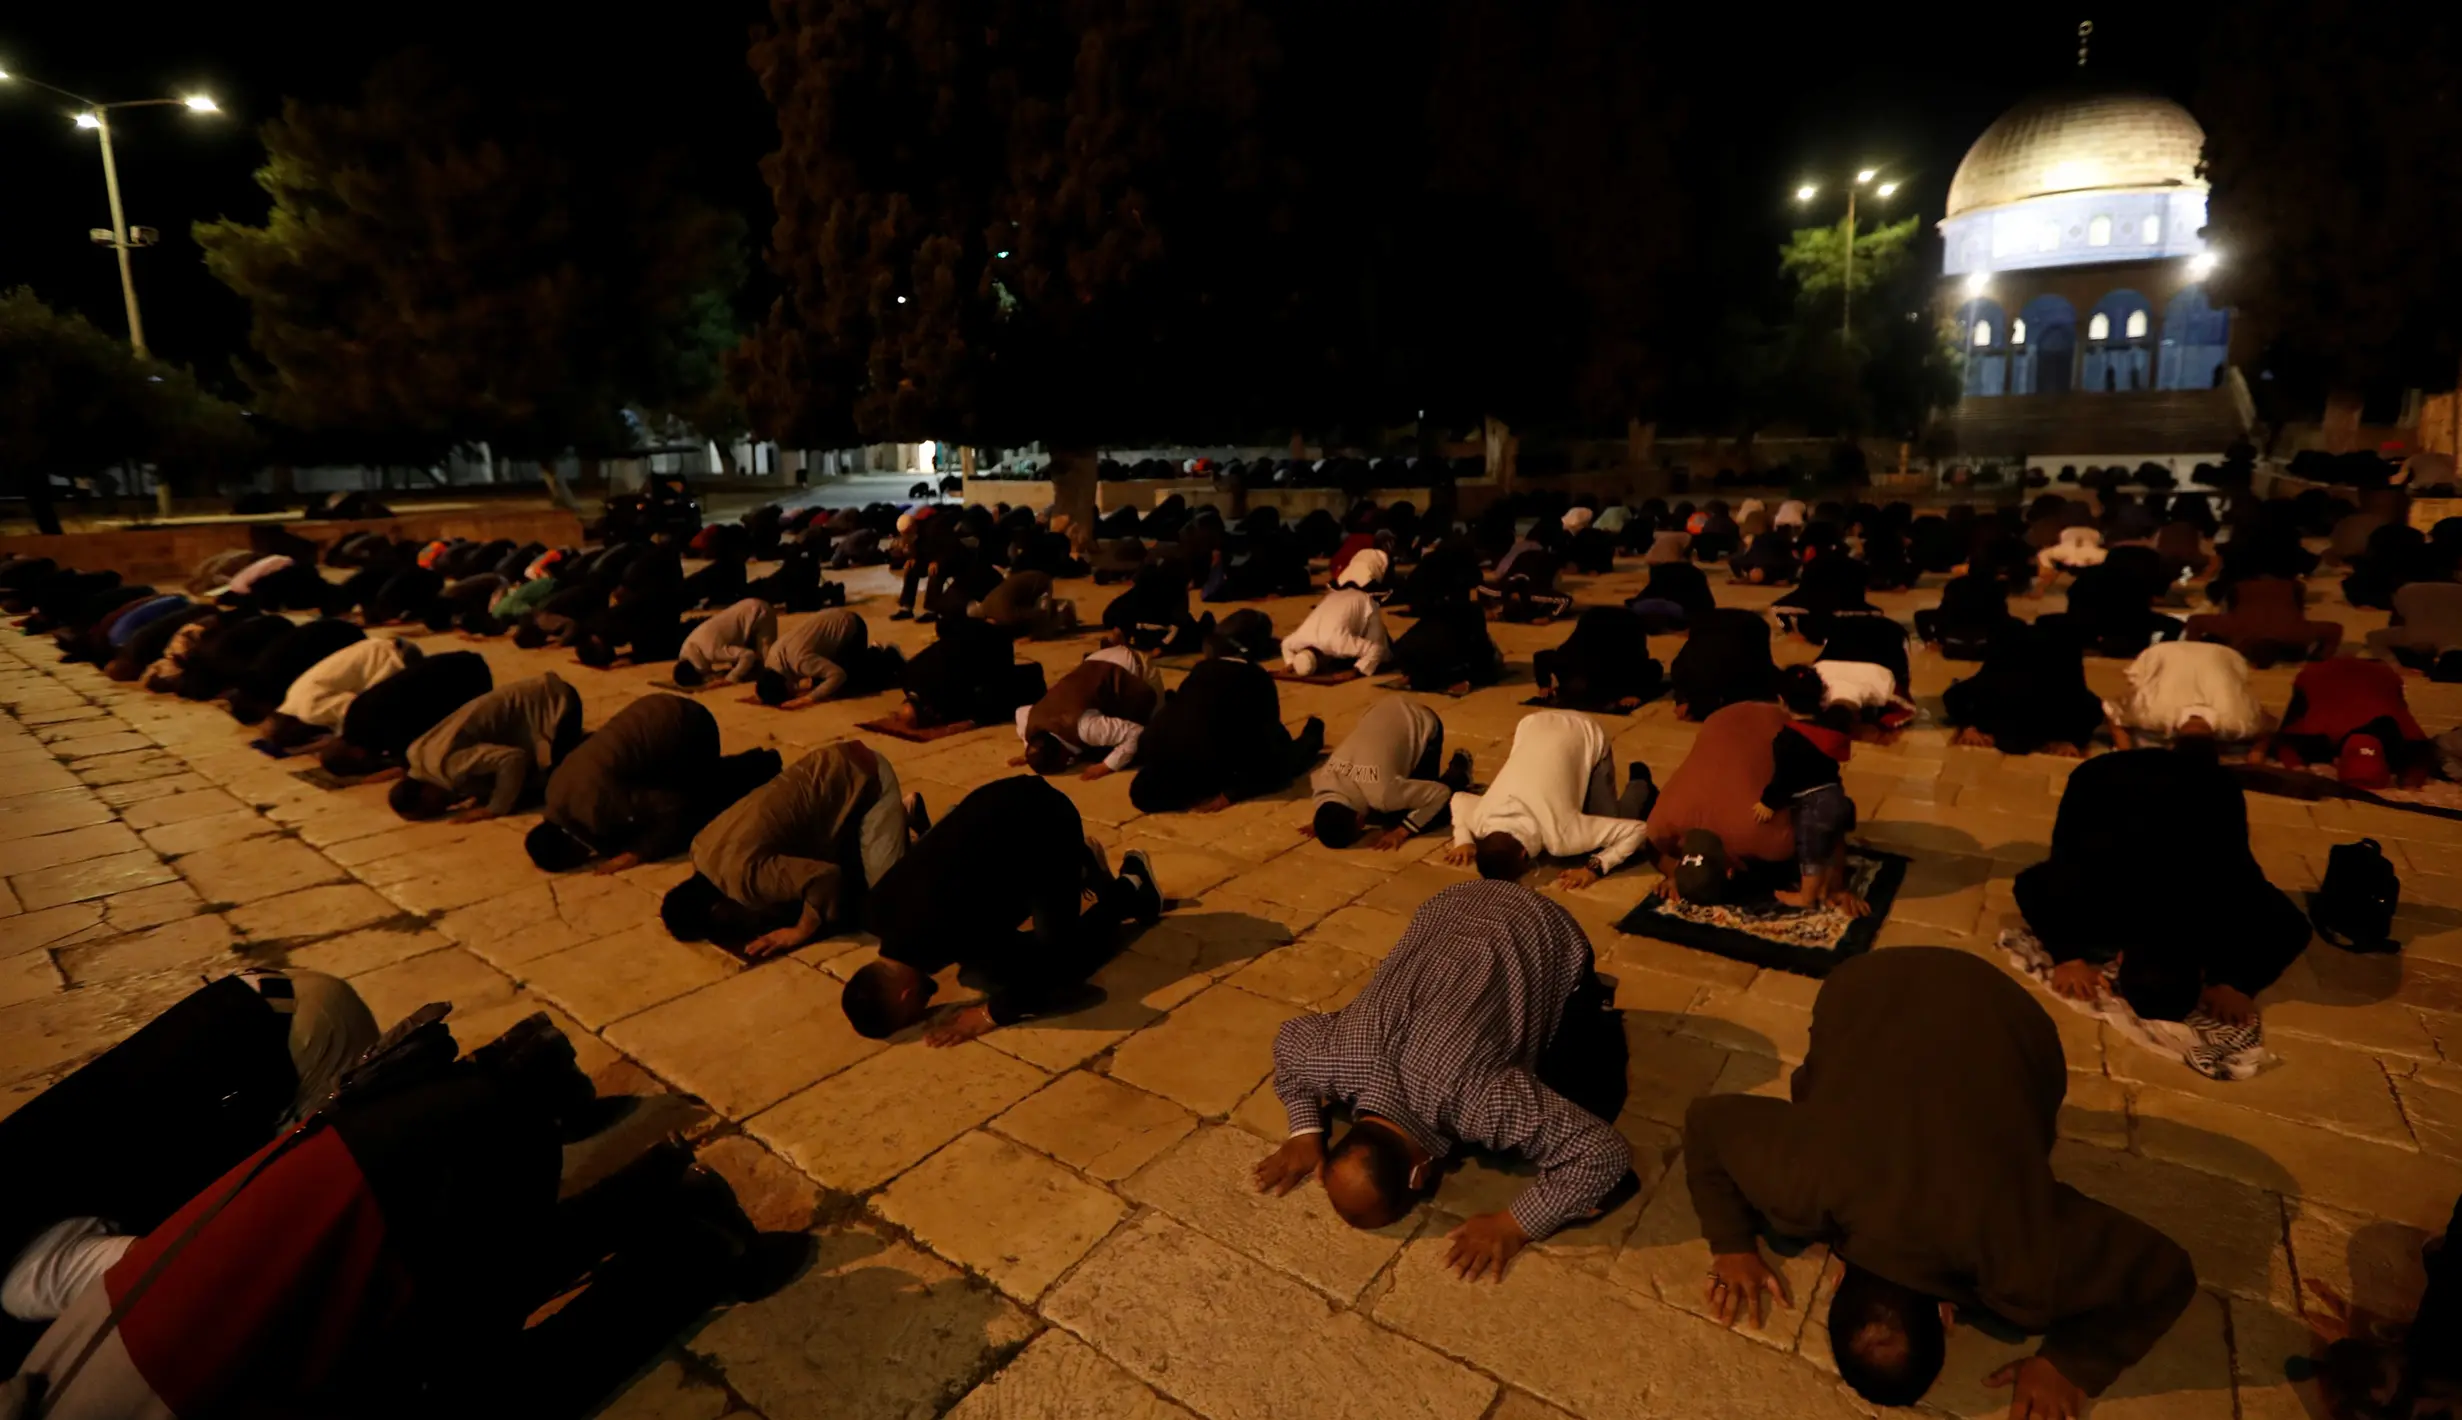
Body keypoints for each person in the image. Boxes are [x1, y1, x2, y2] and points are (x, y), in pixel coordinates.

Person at [1684, 947, 2196, 1412]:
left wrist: (2073, 1365)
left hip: (1991, 1016)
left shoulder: (2022, 1260)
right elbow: (1706, 1122)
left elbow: (2167, 1275)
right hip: (1877, 983)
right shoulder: (1798, 1182)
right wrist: (1732, 1245)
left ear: (1947, 1319)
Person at [1253, 881, 1632, 1282]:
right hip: (1452, 900)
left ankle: (1592, 999)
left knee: (1595, 1099)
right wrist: (1306, 1130)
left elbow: (1600, 1154)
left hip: (1549, 927)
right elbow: (1290, 1037)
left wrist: (1514, 1224)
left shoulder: (1474, 1100)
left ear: (1420, 1175)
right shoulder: (1332, 1060)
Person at [0, 971, 377, 1331]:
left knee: (340, 1158)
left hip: (299, 1039)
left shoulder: (28, 1284)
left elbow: (183, 1276)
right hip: (257, 996)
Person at [846, 776, 1163, 1044]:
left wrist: (989, 1013)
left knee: (1063, 962)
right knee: (991, 968)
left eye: (911, 1016)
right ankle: (1082, 871)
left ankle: (1132, 886)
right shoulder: (876, 911)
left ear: (904, 997)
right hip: (1001, 801)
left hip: (1045, 821)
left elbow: (1045, 974)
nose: (922, 1012)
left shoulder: (944, 931)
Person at [2014, 744, 2311, 1026]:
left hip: (2193, 783)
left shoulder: (2225, 901)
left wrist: (2238, 987)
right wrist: (2069, 957)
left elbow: (2293, 927)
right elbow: (2030, 884)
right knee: (2072, 855)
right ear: (2119, 956)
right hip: (2113, 782)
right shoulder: (2097, 896)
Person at [660, 742, 910, 959]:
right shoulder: (700, 847)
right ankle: (894, 825)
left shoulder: (744, 876)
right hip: (832, 766)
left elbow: (825, 878)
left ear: (716, 910)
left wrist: (799, 931)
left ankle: (913, 820)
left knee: (889, 908)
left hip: (867, 776)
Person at [526, 694, 779, 874]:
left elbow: (674, 808)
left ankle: (764, 764)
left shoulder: (598, 807)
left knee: (701, 803)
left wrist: (638, 853)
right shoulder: (555, 789)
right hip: (657, 708)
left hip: (691, 727)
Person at [1442, 709, 1652, 889]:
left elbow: (1638, 830)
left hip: (1583, 731)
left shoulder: (1561, 835)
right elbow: (1459, 798)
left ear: (1524, 854)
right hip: (1534, 723)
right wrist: (1464, 839)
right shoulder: (1480, 818)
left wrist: (1595, 867)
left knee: (1609, 826)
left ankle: (1641, 784)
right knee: (1586, 816)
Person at [1643, 701, 1802, 899]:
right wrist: (1676, 872)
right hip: (1719, 717)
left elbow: (1823, 829)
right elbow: (1650, 844)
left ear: (1730, 872)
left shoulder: (1767, 839)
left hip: (1780, 719)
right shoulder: (1667, 818)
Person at [1129, 656, 1325, 813]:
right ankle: (1274, 733)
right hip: (1209, 667)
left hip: (1253, 683)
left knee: (1281, 764)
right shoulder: (1149, 742)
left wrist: (1230, 795)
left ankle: (1312, 735)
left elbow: (1268, 774)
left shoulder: (1208, 757)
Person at [389, 673, 586, 822]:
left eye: (430, 809)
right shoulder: (415, 753)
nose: (443, 808)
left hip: (556, 704)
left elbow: (513, 758)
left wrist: (495, 807)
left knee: (558, 786)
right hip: (540, 694)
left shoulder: (450, 766)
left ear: (425, 794)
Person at [1756, 668, 1865, 914]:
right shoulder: (1828, 729)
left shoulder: (1787, 738)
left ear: (1782, 701)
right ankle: (1835, 886)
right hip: (1838, 797)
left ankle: (1807, 896)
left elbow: (1785, 778)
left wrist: (1768, 802)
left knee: (1811, 850)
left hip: (1813, 804)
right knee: (1834, 842)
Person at [1306, 698, 1473, 850]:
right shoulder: (1321, 781)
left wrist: (1402, 831)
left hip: (1420, 720)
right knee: (1385, 811)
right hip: (1380, 708)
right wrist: (1324, 825)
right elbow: (1329, 805)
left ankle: (1458, 773)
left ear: (1359, 821)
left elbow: (1439, 794)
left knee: (1402, 817)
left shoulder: (1383, 794)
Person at [2255, 655, 2434, 789]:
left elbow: (2285, 742)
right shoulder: (2314, 732)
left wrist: (2297, 767)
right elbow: (2285, 740)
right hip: (2332, 676)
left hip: (2365, 676)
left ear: (2337, 761)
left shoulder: (2313, 731)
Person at [320, 649, 495, 778]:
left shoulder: (378, 728)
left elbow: (418, 752)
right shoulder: (354, 718)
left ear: (357, 754)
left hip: (464, 677)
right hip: (456, 664)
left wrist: (398, 770)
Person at [1940, 622, 2103, 757]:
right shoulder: (1995, 682)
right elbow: (1958, 697)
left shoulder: (2066, 690)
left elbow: (2089, 711)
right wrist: (1969, 725)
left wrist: (2071, 740)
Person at [1012, 644, 1159, 779]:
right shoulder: (1028, 720)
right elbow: (1020, 712)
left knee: (1158, 733)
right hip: (1097, 659)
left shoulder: (1085, 727)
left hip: (1136, 667)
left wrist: (1107, 765)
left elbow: (1135, 732)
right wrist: (1031, 752)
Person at [261, 636, 422, 749]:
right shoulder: (292, 695)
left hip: (397, 660)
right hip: (383, 646)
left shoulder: (309, 711)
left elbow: (356, 709)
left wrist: (338, 738)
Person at [2101, 638, 2264, 748]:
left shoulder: (2152, 714)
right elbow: (2112, 711)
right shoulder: (2237, 720)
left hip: (2219, 655)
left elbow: (2112, 711)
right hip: (2168, 654)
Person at [893, 613, 1046, 730]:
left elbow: (971, 700)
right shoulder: (908, 675)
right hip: (968, 632)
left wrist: (972, 720)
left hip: (994, 643)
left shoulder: (943, 688)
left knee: (998, 695)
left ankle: (1033, 676)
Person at [752, 607, 900, 708]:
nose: (795, 690)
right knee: (821, 681)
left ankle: (886, 656)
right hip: (836, 623)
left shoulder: (800, 661)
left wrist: (809, 698)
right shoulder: (772, 658)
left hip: (853, 630)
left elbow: (838, 675)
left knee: (845, 686)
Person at [2182, 575, 2341, 666]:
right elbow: (2195, 622)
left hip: (2274, 586)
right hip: (2260, 586)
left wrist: (2321, 658)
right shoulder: (2234, 628)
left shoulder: (2296, 633)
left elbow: (2335, 630)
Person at [1532, 607, 1663, 710]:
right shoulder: (1568, 659)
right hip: (1599, 623)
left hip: (1621, 625)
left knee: (1648, 669)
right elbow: (1541, 657)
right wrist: (1544, 685)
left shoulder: (1620, 671)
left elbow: (1645, 666)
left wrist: (1635, 693)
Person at [1668, 608, 1780, 721]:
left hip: (1742, 649)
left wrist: (1689, 705)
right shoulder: (1692, 660)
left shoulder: (1694, 666)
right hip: (1751, 632)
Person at [1391, 600, 1505, 694]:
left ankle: (1415, 677)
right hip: (1430, 660)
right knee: (1485, 670)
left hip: (1408, 655)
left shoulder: (1438, 608)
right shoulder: (1473, 614)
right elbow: (1482, 652)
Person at [1278, 588, 1393, 680]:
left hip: (1365, 603)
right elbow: (1285, 644)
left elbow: (1376, 649)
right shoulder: (1300, 639)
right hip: (1336, 596)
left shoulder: (1336, 643)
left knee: (1384, 657)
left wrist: (1355, 671)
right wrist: (1291, 663)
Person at [671, 597, 777, 687]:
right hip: (749, 607)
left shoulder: (711, 651)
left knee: (770, 668)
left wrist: (731, 678)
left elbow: (748, 655)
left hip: (760, 614)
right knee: (748, 667)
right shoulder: (687, 646)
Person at [975, 568, 1078, 639]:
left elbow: (1037, 615)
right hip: (1033, 584)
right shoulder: (988, 602)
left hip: (1041, 584)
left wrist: (1032, 636)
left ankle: (1063, 613)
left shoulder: (1006, 613)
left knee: (1042, 631)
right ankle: (1057, 609)